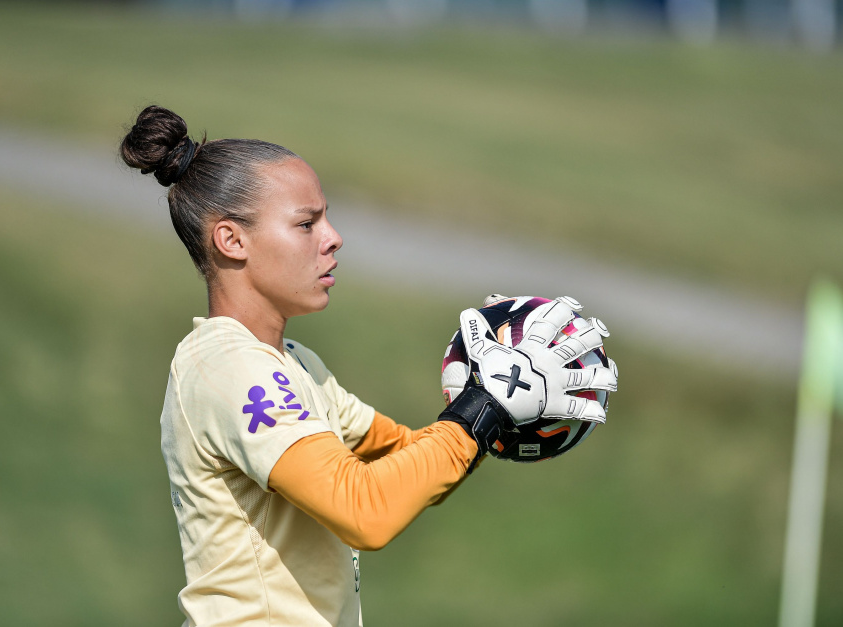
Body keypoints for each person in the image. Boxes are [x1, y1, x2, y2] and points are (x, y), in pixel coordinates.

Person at [120, 105, 617, 627]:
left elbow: (408, 458)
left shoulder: (295, 364)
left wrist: (500, 407)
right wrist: (484, 405)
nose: (333, 237)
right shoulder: (224, 368)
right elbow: (366, 511)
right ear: (232, 240)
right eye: (306, 223)